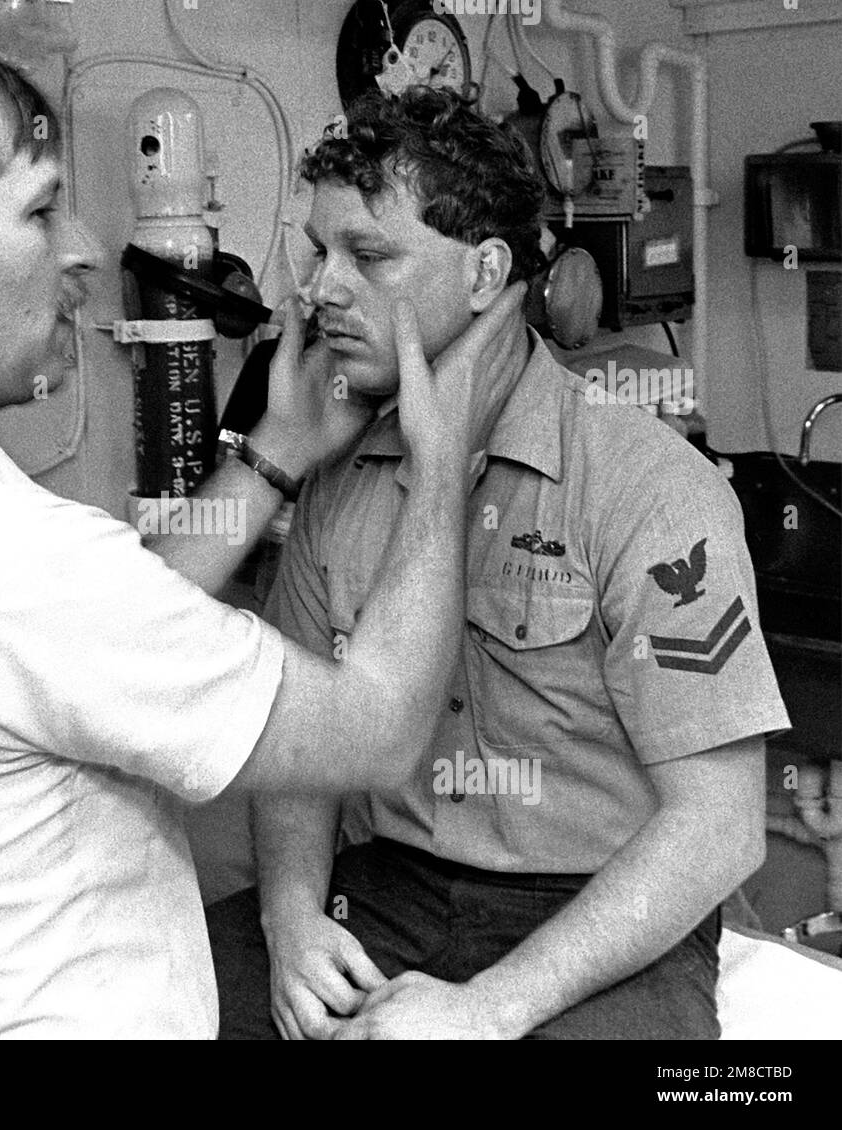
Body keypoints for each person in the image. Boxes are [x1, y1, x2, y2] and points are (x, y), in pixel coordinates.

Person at [0, 36, 529, 1038]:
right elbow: (377, 726)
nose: (82, 246)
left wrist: (271, 455)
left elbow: (80, 647)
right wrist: (440, 460)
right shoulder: (7, 561)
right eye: (38, 210)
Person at [207, 86, 790, 1041]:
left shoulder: (649, 488)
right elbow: (298, 744)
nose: (320, 290)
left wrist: (490, 1012)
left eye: (369, 255)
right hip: (388, 886)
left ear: (485, 274)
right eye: (318, 251)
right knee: (155, 1002)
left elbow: (720, 827)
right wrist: (294, 919)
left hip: (597, 910)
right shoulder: (338, 474)